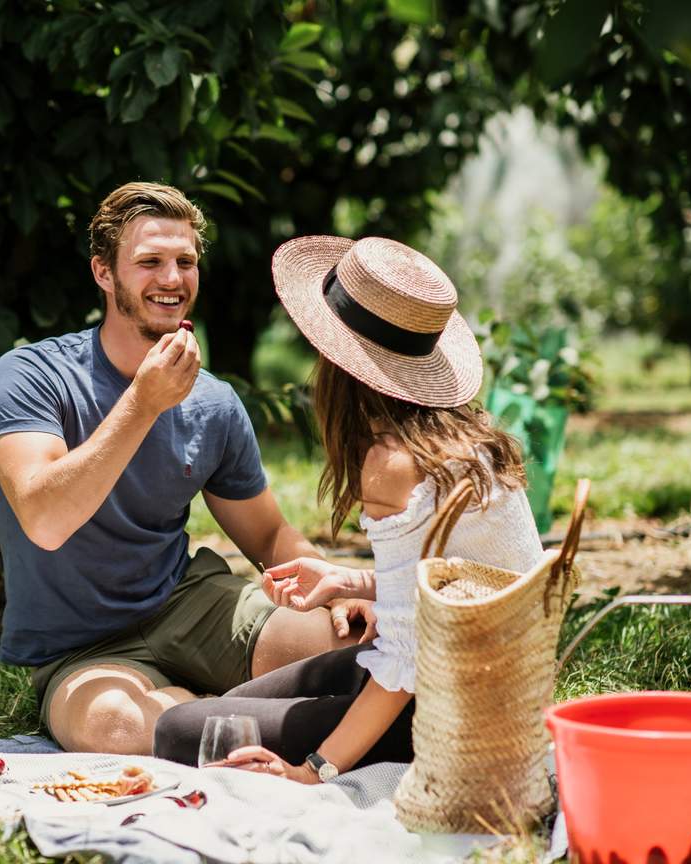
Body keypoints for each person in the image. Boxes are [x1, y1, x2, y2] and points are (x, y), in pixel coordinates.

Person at [0, 183, 371, 755]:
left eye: (184, 262)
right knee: (115, 727)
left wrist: (338, 588)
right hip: (80, 650)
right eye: (150, 262)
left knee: (349, 645)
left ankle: (214, 716)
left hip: (189, 605)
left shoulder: (213, 401)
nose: (172, 279)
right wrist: (143, 403)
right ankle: (254, 719)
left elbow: (265, 533)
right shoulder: (32, 374)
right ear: (103, 272)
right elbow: (44, 517)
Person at [152, 235, 545, 782]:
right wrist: (344, 581)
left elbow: (404, 661)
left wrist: (313, 771)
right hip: (491, 683)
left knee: (181, 732)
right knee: (224, 710)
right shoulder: (463, 437)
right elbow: (460, 587)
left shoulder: (393, 462)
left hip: (451, 709)